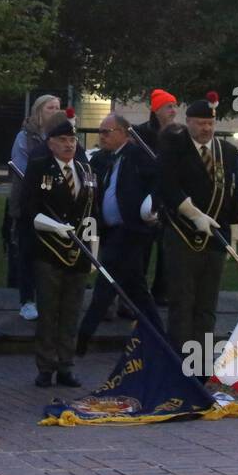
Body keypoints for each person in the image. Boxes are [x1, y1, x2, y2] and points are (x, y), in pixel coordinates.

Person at [153, 95, 238, 364]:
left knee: (207, 305)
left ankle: (200, 363)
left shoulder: (226, 151)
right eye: (200, 123)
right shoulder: (173, 145)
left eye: (210, 123)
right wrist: (194, 214)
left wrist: (233, 236)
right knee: (182, 302)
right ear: (188, 122)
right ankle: (178, 362)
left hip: (216, 236)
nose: (206, 128)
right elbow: (167, 186)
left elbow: (232, 196)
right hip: (182, 234)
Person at [20, 110, 95, 387]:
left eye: (72, 140)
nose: (68, 145)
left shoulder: (86, 170)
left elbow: (92, 211)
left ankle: (66, 364)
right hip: (48, 251)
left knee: (71, 311)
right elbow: (28, 208)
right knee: (49, 311)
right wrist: (53, 227)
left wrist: (91, 248)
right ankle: (46, 365)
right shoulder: (40, 167)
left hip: (78, 252)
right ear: (50, 143)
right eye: (62, 140)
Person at [76, 114, 161, 353]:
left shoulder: (139, 156)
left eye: (107, 132)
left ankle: (83, 335)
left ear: (124, 132)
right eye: (100, 132)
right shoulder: (102, 160)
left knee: (107, 279)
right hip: (110, 231)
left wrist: (152, 205)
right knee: (136, 287)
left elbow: (159, 182)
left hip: (132, 231)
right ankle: (160, 337)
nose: (101, 136)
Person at [9, 93, 60, 320]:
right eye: (50, 107)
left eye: (58, 107)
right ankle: (27, 299)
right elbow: (22, 170)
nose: (55, 111)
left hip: (55, 203)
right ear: (39, 111)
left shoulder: (63, 135)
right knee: (28, 252)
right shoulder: (25, 137)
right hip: (29, 202)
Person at [135, 88, 178, 305]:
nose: (173, 110)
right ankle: (138, 292)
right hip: (145, 195)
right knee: (141, 248)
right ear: (157, 109)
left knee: (166, 249)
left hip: (166, 198)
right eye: (169, 106)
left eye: (174, 106)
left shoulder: (177, 134)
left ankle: (162, 291)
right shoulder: (140, 133)